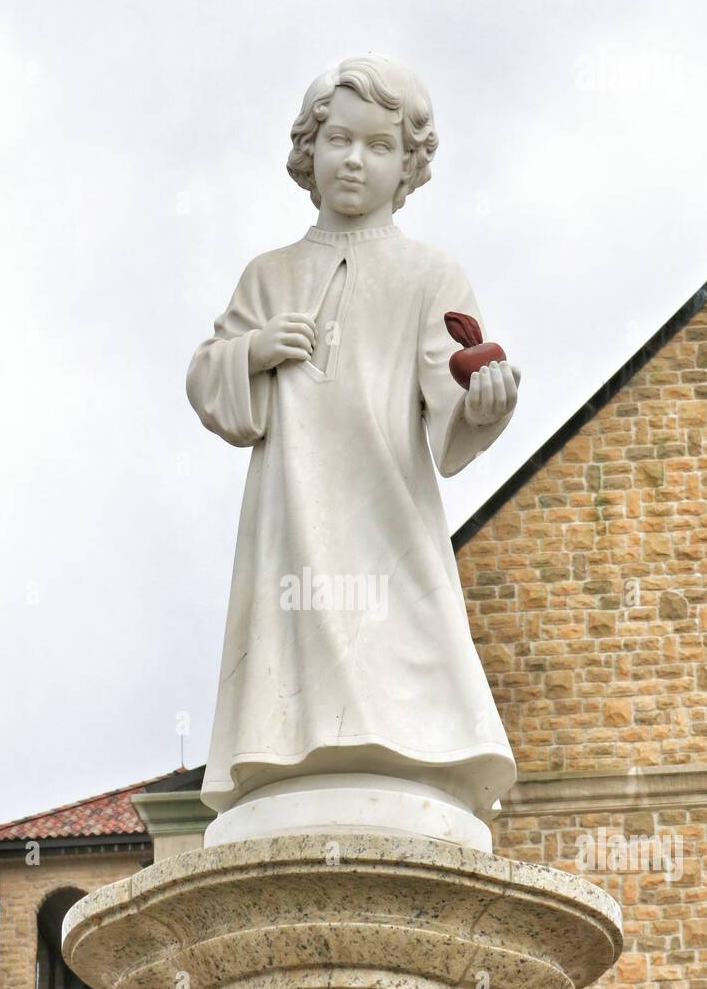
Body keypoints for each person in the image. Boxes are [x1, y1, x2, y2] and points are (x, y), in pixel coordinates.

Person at [186, 54, 521, 851]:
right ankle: (287, 742)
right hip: (291, 510)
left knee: (393, 620)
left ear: (407, 164)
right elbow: (208, 377)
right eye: (339, 139)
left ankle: (409, 748)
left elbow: (453, 397)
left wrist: (485, 400)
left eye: (377, 146)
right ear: (309, 148)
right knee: (293, 621)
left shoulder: (428, 274)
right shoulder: (268, 277)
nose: (354, 160)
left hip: (385, 503)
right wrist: (255, 351)